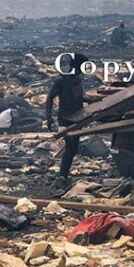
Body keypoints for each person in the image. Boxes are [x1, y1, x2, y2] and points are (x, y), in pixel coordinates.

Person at [46, 53, 89, 190]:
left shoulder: (77, 79)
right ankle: (62, 176)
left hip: (77, 116)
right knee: (70, 146)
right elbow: (50, 98)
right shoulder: (61, 80)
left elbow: (78, 98)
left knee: (73, 147)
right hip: (66, 118)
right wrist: (49, 117)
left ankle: (63, 174)